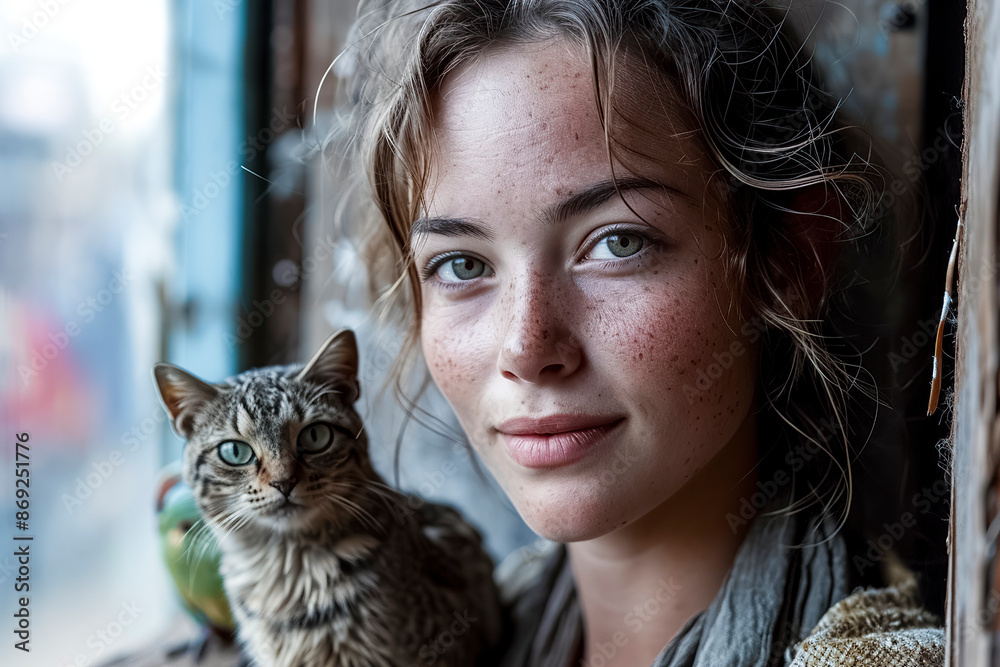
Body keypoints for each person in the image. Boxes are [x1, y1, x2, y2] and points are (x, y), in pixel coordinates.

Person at [333, 1, 947, 665]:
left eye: (618, 241)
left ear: (790, 263)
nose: (527, 348)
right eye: (462, 264)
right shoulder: (469, 639)